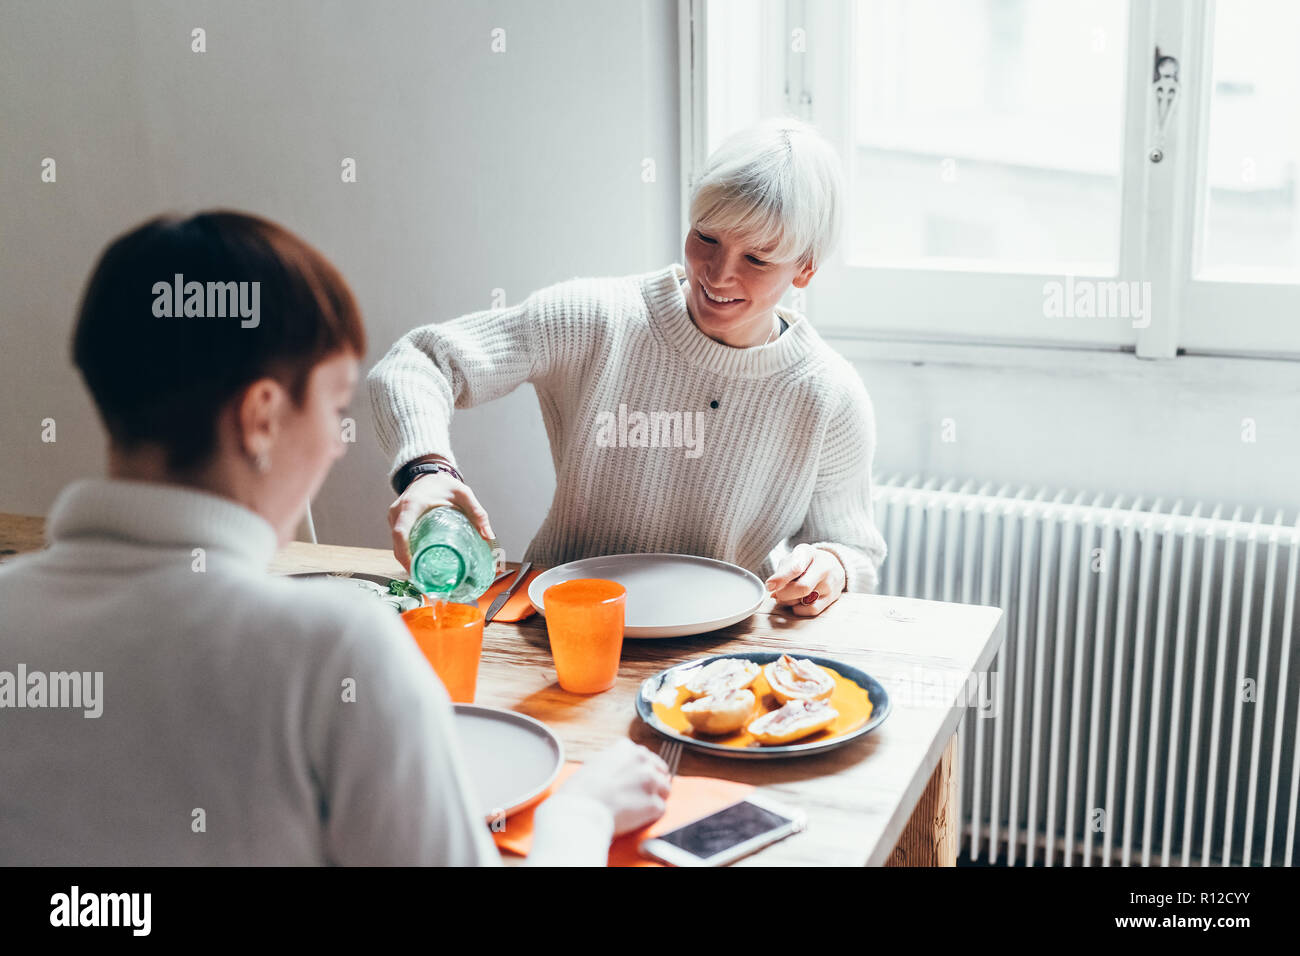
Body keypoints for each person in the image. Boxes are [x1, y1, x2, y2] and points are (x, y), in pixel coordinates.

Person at [0, 211, 669, 865]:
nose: (333, 447)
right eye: (334, 407)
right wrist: (580, 815)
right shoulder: (332, 649)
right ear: (261, 418)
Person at [370, 117, 887, 616]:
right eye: (706, 237)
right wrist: (427, 471)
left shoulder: (829, 396)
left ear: (806, 268)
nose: (718, 273)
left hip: (720, 653)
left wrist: (831, 566)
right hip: (561, 627)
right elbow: (420, 361)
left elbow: (852, 551)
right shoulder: (594, 318)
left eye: (757, 259)